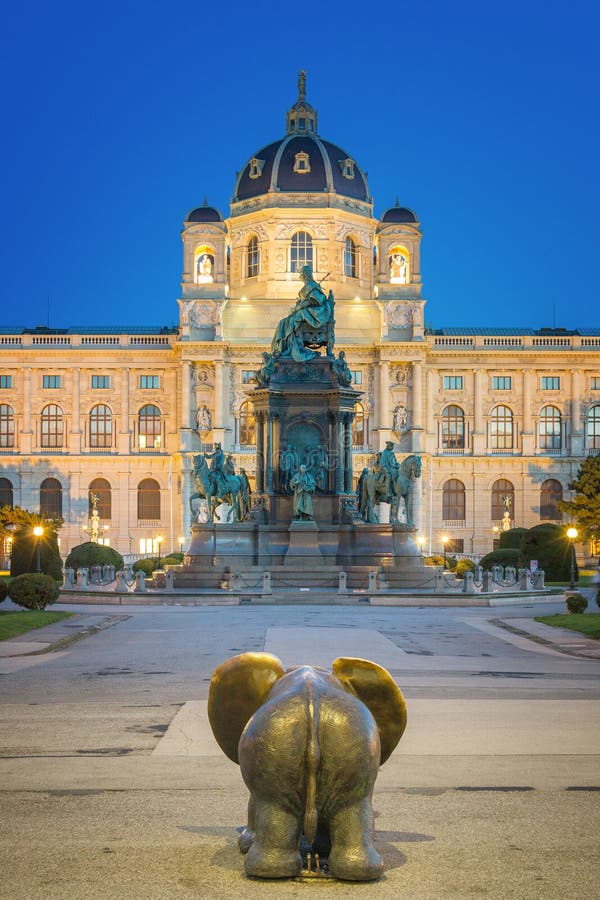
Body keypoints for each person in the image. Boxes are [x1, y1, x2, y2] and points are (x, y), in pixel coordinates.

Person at [271, 265, 333, 361]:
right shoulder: (309, 285)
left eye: (300, 273)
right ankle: (283, 347)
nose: (299, 275)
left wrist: (298, 308)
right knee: (283, 322)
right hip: (308, 312)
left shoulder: (311, 285)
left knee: (292, 320)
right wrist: (297, 307)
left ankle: (289, 347)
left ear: (304, 274)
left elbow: (315, 300)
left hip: (315, 313)